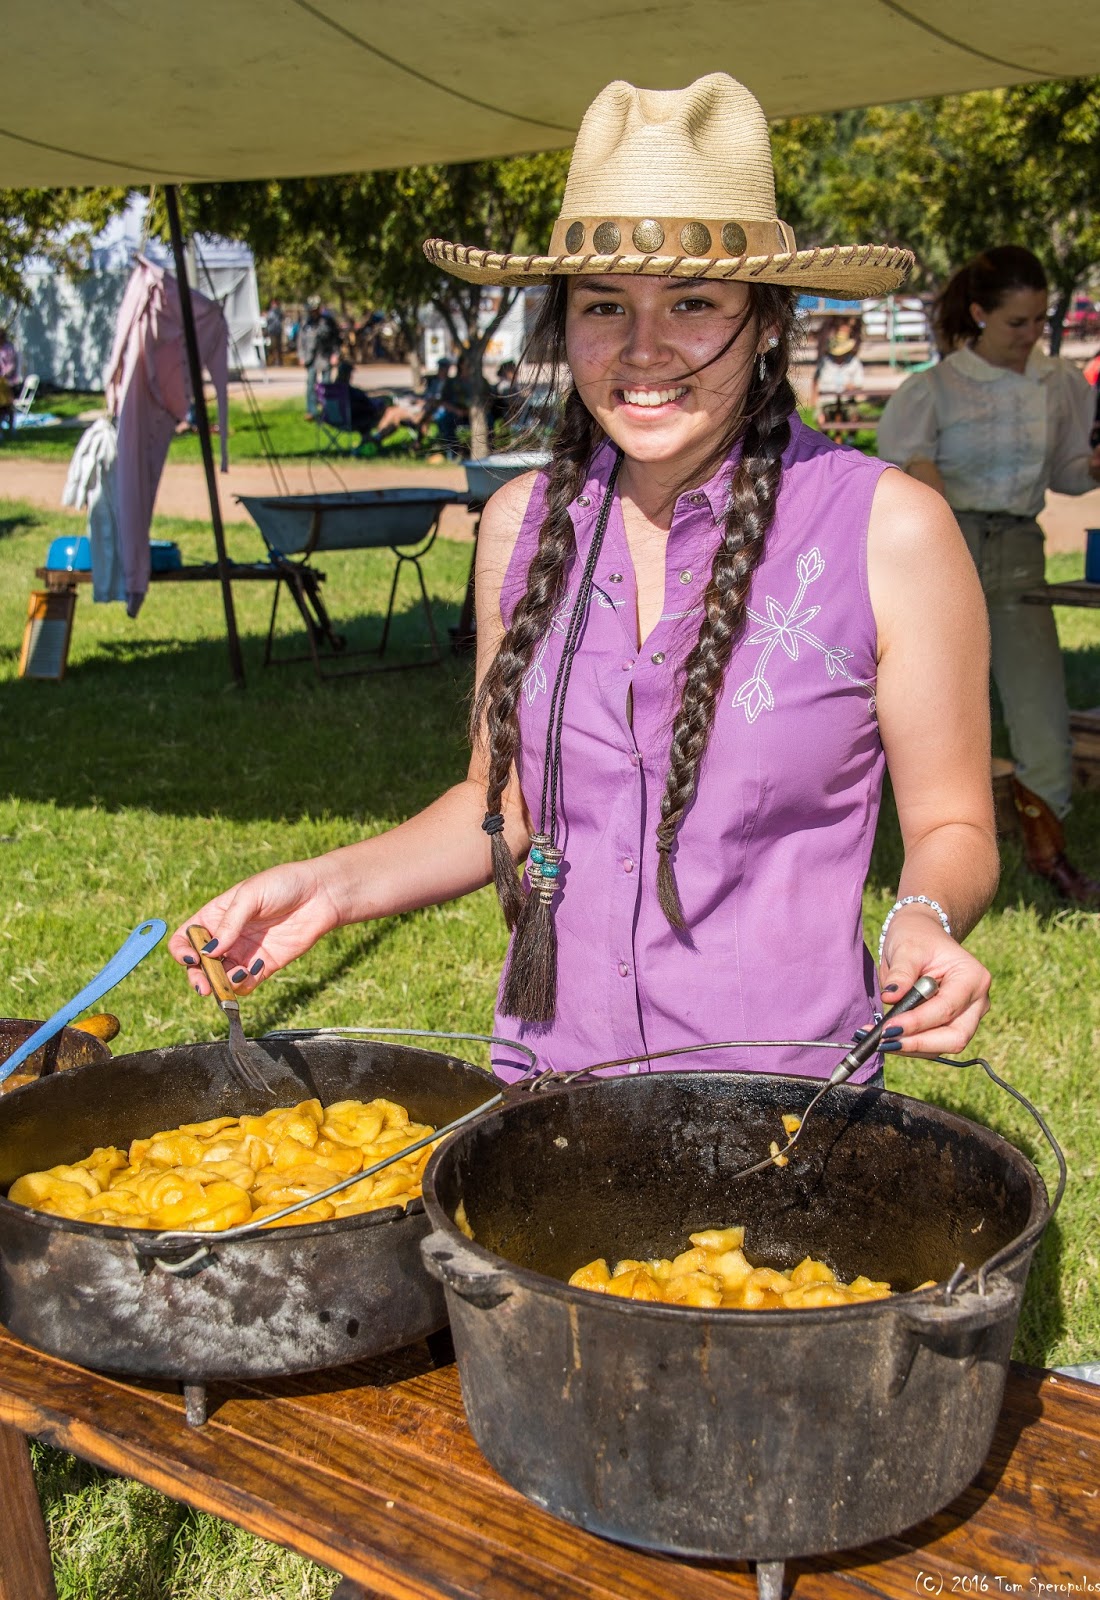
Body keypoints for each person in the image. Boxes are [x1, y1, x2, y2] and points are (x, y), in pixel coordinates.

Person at [171, 71, 996, 1080]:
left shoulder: (887, 529)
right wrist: (327, 887)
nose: (642, 350)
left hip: (781, 1106)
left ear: (768, 317)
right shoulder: (521, 528)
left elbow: (954, 822)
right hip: (549, 1096)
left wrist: (920, 916)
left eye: (692, 303)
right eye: (605, 305)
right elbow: (499, 804)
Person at [878, 246, 1100, 904]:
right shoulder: (934, 390)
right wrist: (930, 497)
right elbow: (905, 472)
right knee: (937, 706)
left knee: (1039, 706)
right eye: (1016, 323)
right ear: (978, 314)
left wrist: (1092, 470)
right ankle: (940, 846)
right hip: (949, 546)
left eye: (1039, 320)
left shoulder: (1059, 385)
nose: (1032, 335)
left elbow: (1065, 474)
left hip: (1021, 550)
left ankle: (1046, 849)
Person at [809, 314, 865, 426]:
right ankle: (827, 440)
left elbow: (859, 384)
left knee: (854, 416)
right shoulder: (825, 361)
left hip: (846, 401)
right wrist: (814, 399)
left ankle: (849, 440)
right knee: (822, 419)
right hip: (827, 400)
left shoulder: (853, 362)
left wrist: (852, 387)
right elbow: (816, 380)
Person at [297, 296, 340, 418]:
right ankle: (312, 411)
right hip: (311, 358)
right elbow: (300, 341)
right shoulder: (305, 323)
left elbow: (336, 340)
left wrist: (335, 354)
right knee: (311, 384)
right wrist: (301, 356)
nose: (313, 312)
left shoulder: (328, 322)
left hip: (325, 357)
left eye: (315, 309)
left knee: (327, 385)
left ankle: (328, 411)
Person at [264, 300, 284, 365]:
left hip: (277, 331)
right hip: (272, 331)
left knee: (278, 347)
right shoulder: (270, 313)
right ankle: (274, 360)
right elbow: (267, 321)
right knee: (273, 346)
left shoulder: (278, 312)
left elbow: (282, 317)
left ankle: (278, 361)